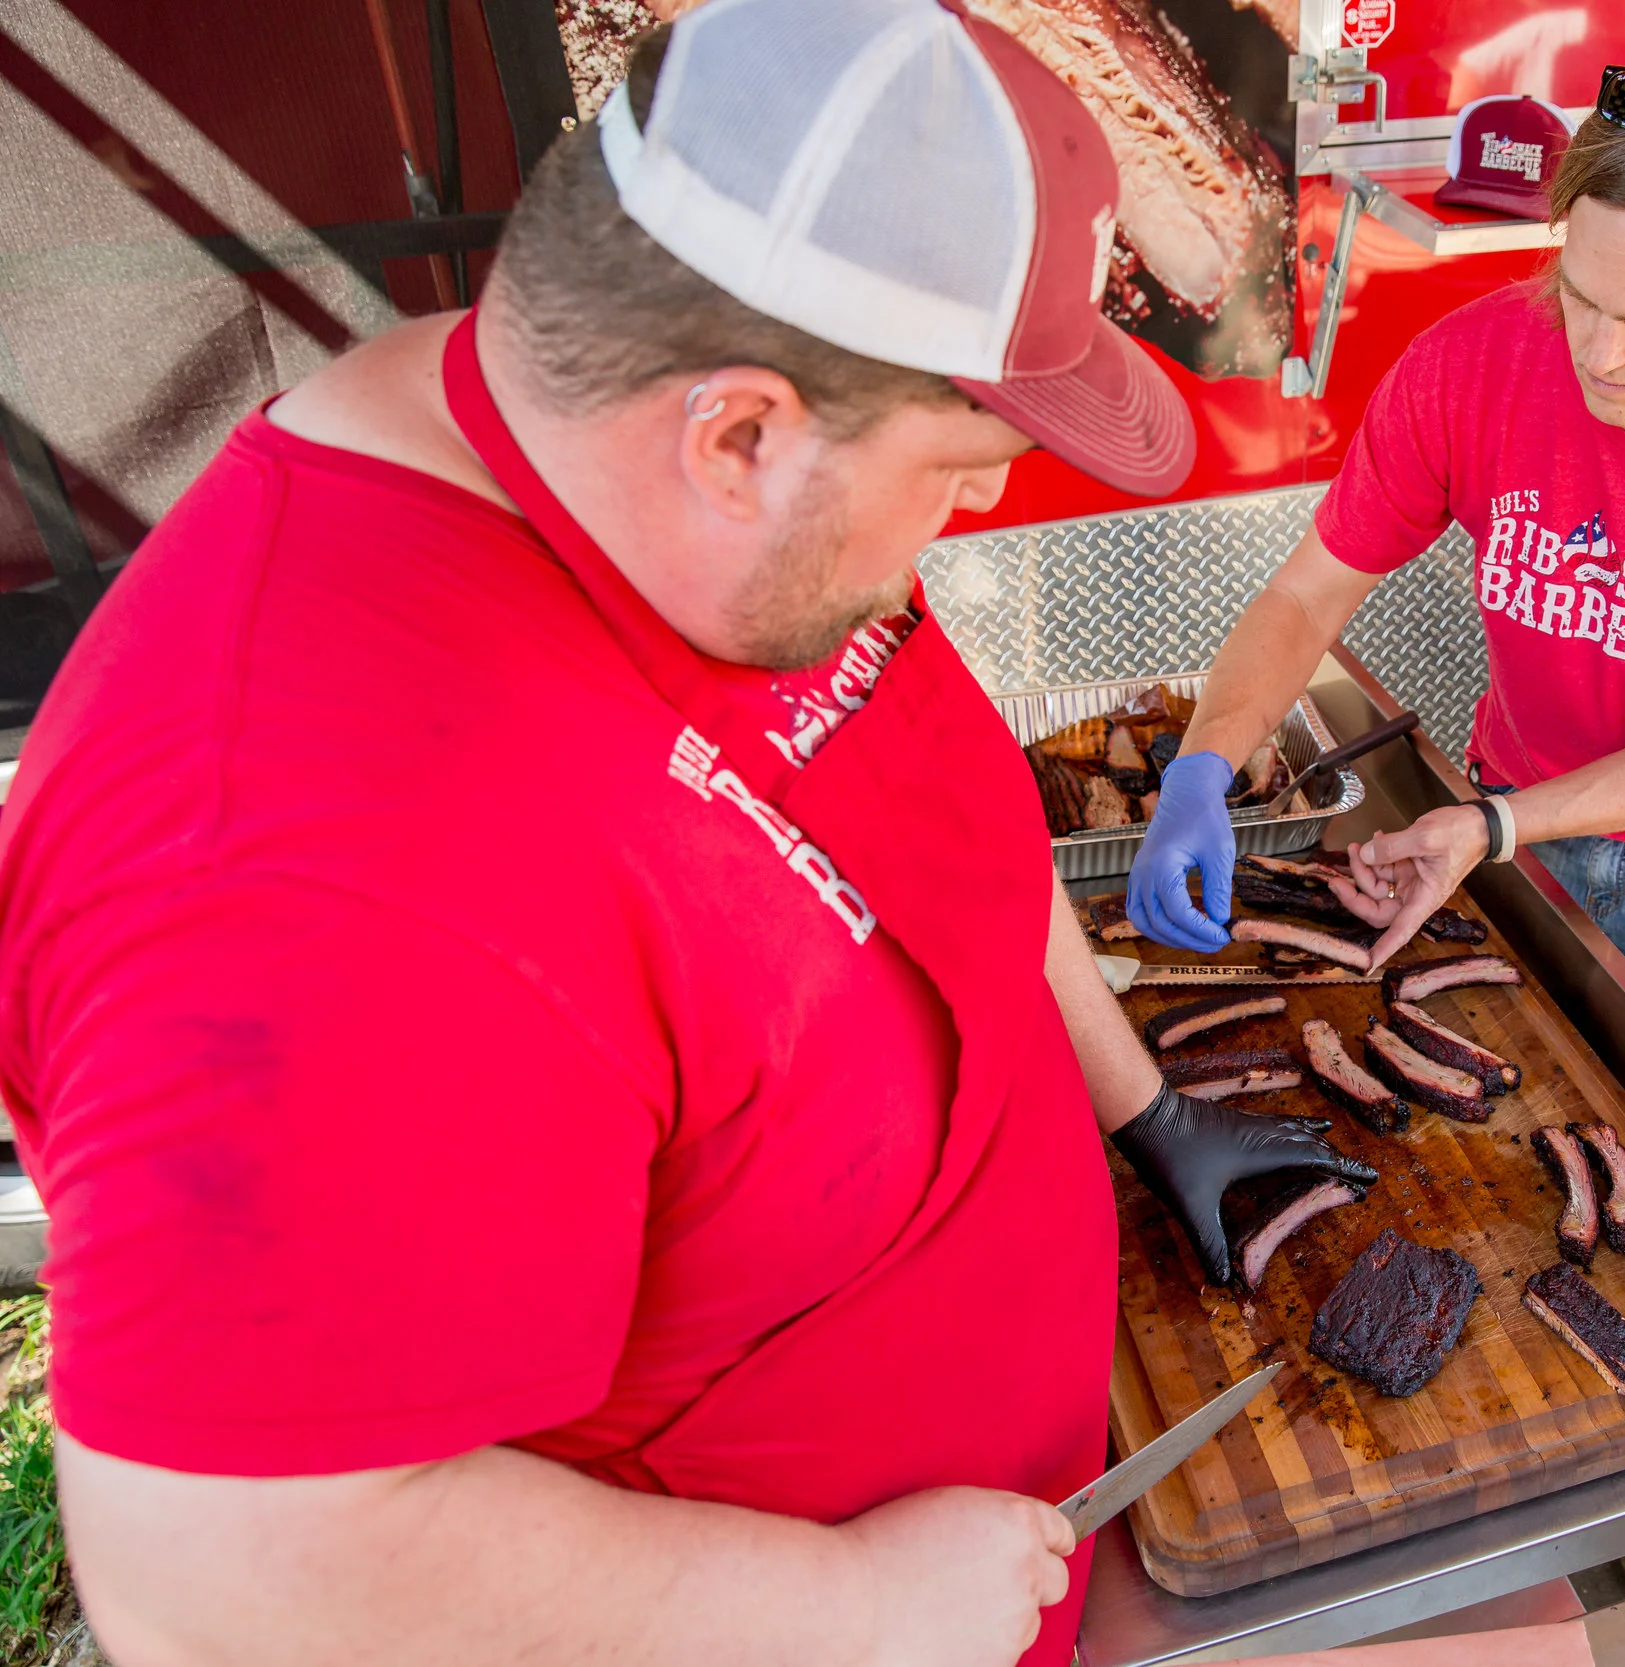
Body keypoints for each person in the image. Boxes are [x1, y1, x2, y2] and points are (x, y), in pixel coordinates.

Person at [0, 5, 1372, 1664]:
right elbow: (226, 1579)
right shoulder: (298, 854)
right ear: (738, 435)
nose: (987, 505)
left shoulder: (662, 494)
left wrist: (1140, 1108)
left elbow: (934, 825)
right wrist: (847, 1608)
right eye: (962, 465)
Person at [1129, 51, 1625, 1100]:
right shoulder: (1474, 363)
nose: (1600, 353)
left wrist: (1495, 825)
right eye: (1583, 293)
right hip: (1507, 793)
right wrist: (1203, 765)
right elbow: (1306, 593)